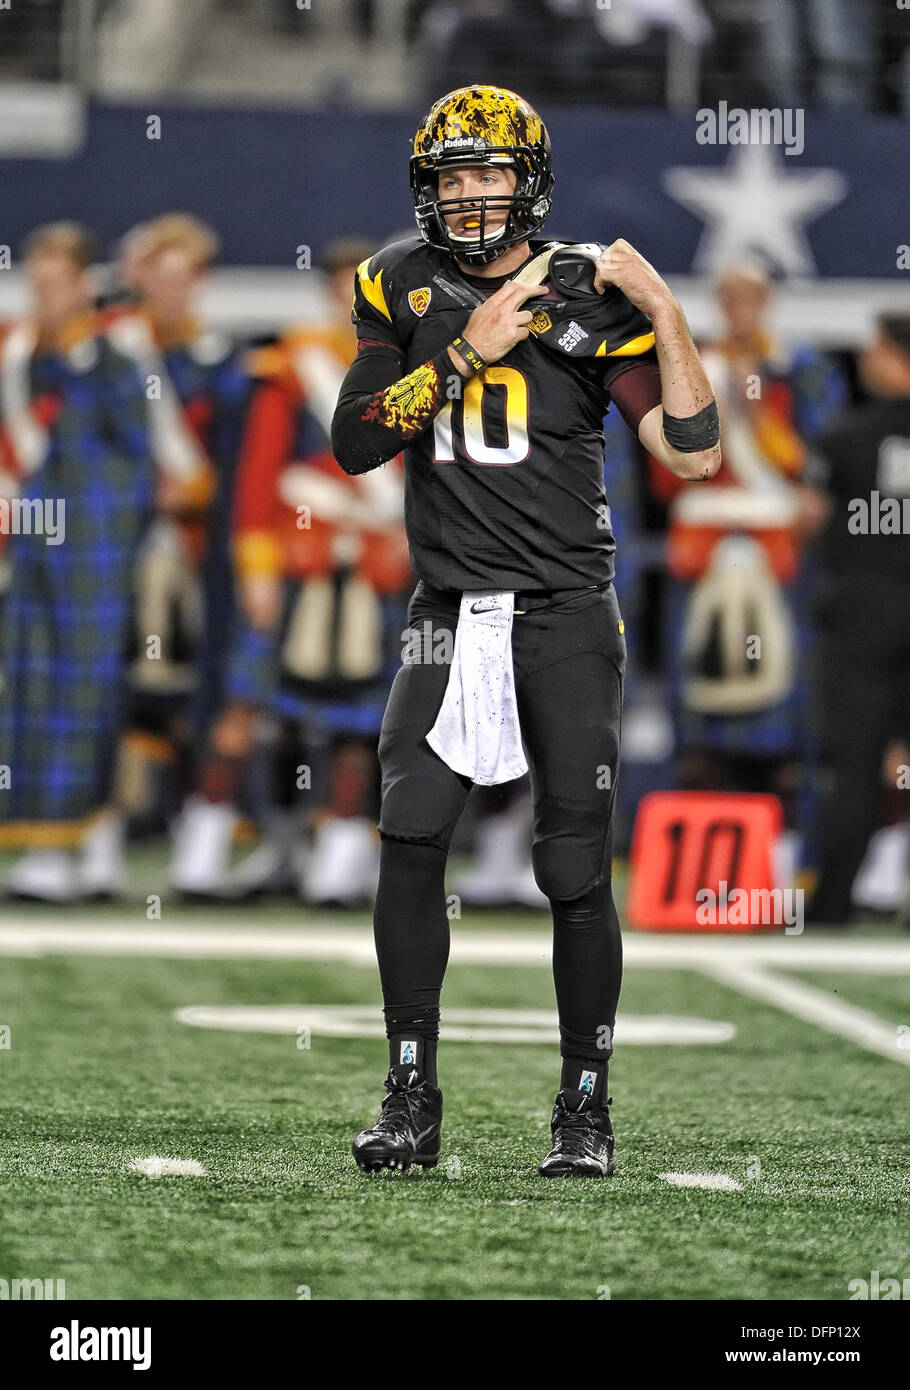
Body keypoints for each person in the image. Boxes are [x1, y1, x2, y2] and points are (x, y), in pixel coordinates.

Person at [331, 85, 720, 1177]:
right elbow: (354, 443)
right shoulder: (398, 283)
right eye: (450, 176)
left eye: (486, 173)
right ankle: (410, 1095)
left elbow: (693, 456)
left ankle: (583, 1108)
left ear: (527, 180)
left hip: (560, 611)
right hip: (446, 611)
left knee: (571, 864)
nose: (467, 194)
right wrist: (463, 351)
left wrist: (668, 311)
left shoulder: (588, 292)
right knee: (409, 837)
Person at [0, 223, 154, 900]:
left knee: (87, 696)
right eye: (36, 280)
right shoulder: (23, 356)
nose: (45, 293)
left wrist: (108, 532)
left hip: (92, 553)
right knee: (31, 691)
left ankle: (84, 838)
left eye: (57, 281)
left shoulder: (113, 360)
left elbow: (140, 463)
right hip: (31, 547)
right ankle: (51, 840)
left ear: (84, 284)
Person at [805, 315, 910, 925]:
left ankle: (832, 905)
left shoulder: (845, 437)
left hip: (864, 612)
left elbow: (810, 519)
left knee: (853, 764)